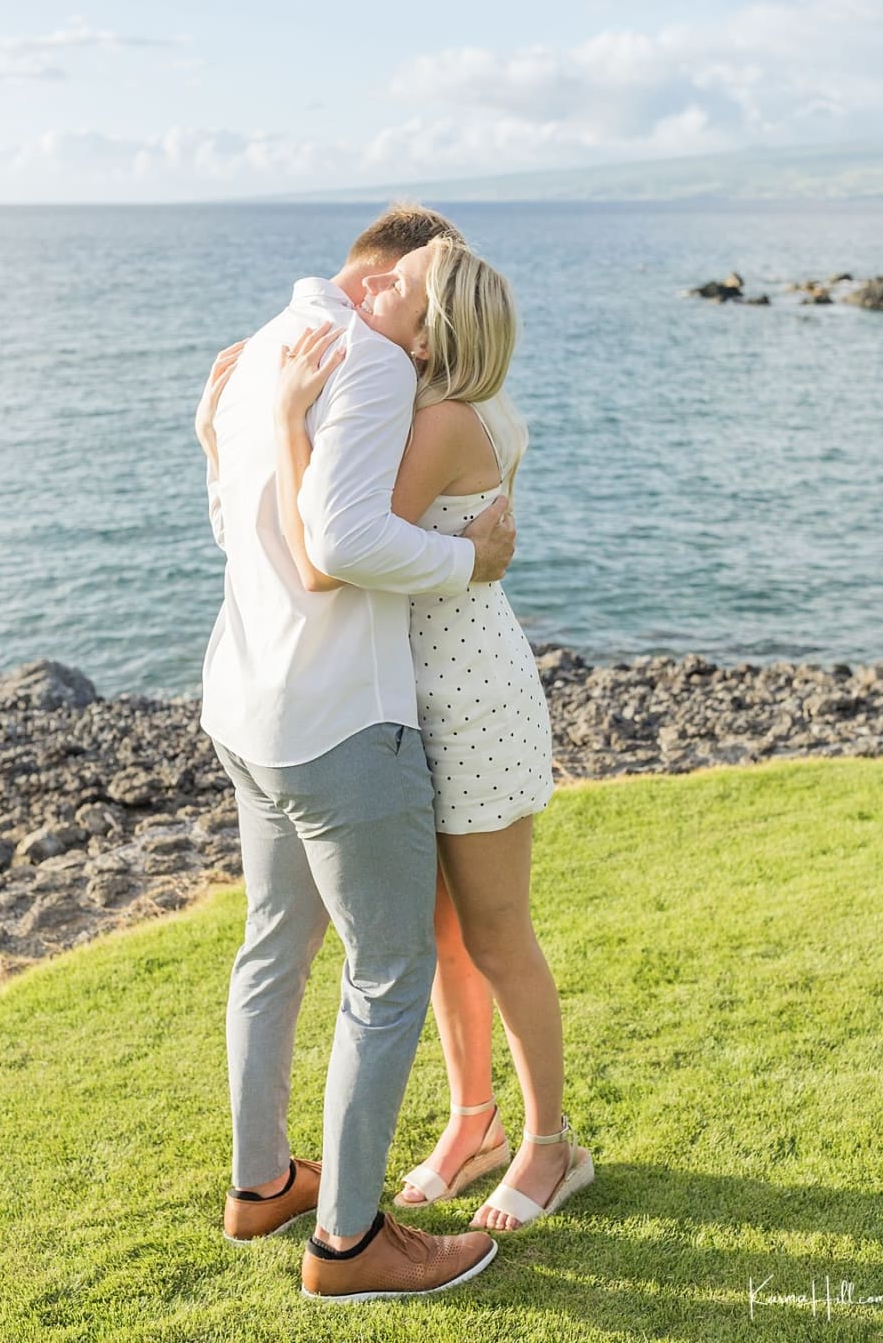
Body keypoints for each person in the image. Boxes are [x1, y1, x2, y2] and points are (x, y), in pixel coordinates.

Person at [196, 205, 516, 1303]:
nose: (408, 293)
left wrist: (220, 432)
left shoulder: (256, 355)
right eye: (428, 268)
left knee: (272, 947)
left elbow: (235, 533)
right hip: (334, 718)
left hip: (240, 702)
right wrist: (466, 558)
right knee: (387, 974)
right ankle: (347, 1243)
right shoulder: (375, 361)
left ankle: (259, 1183)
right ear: (397, 278)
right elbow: (334, 548)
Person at [270, 234, 594, 1233]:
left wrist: (287, 419)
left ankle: (549, 1148)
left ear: (432, 328)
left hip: (472, 703)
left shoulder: (445, 418)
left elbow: (328, 557)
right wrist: (462, 545)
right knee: (446, 939)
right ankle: (472, 1125)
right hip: (427, 696)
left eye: (399, 285)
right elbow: (418, 538)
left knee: (495, 935)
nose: (374, 288)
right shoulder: (455, 405)